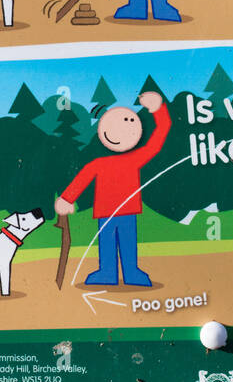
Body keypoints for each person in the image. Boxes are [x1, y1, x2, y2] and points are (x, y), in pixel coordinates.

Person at [54, 91, 170, 288]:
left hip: (127, 211)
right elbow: (81, 180)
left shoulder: (134, 159)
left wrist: (159, 110)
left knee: (127, 243)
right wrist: (66, 199)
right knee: (107, 244)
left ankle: (131, 272)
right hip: (105, 213)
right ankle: (107, 273)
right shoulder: (98, 163)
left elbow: (157, 141)